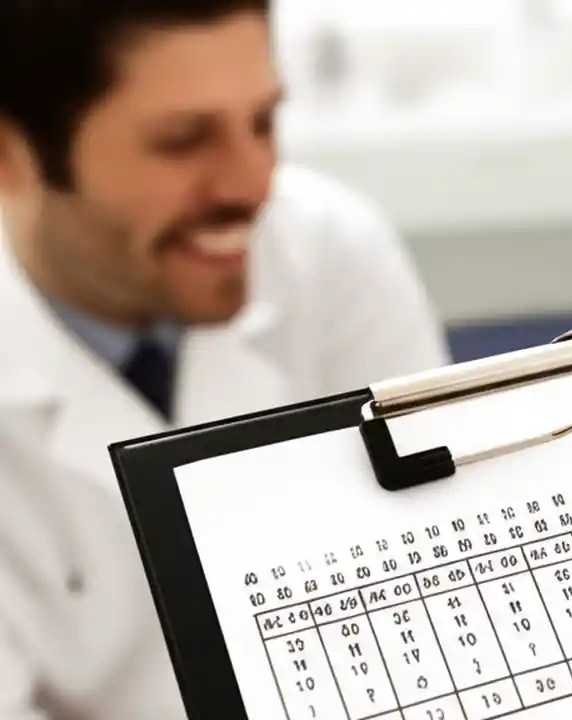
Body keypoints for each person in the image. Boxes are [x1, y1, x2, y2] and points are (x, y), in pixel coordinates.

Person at [0, 1, 449, 716]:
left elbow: (438, 596)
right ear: (11, 156)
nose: (252, 184)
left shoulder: (335, 258)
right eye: (182, 142)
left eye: (264, 124)